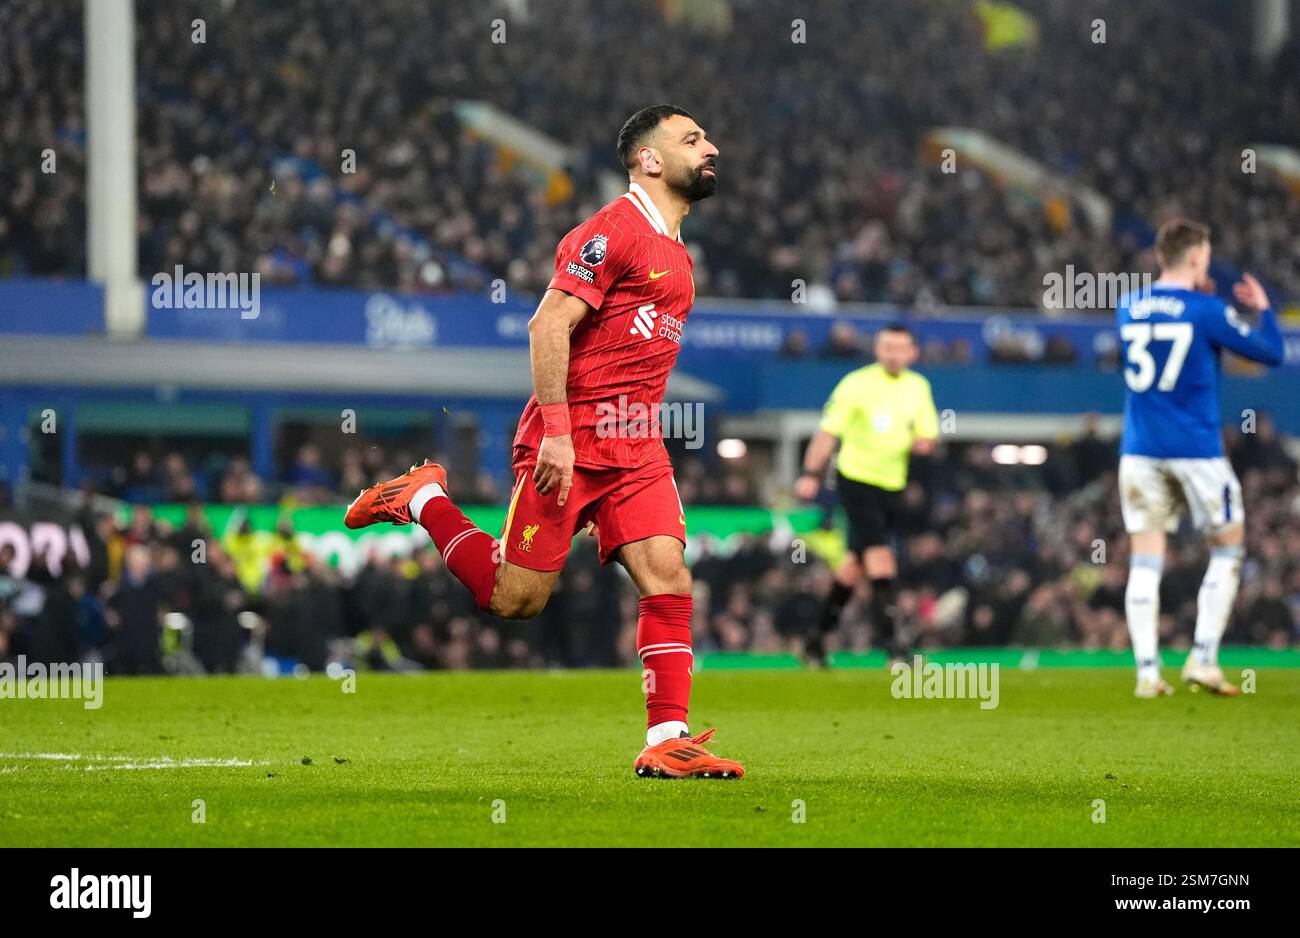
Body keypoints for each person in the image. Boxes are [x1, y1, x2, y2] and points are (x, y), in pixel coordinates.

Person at [345, 105, 743, 779]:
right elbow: (546, 326)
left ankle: (666, 740)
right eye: (693, 139)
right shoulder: (612, 232)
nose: (711, 148)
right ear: (649, 159)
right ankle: (424, 499)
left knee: (669, 577)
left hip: (636, 443)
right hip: (571, 439)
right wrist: (558, 433)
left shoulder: (678, 254)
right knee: (515, 601)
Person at [1116, 219, 1283, 698]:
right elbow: (1269, 353)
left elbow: (1167, 318)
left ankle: (1147, 673)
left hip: (1140, 451)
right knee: (1227, 550)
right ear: (1194, 259)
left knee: (1145, 562)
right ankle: (1203, 658)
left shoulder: (1128, 306)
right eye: (1205, 256)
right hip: (1196, 450)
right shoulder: (1207, 310)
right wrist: (1261, 310)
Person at [795, 323, 938, 666]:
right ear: (877, 349)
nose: (892, 353)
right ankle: (894, 649)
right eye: (886, 346)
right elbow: (829, 432)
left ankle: (815, 640)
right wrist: (812, 473)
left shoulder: (918, 387)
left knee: (851, 568)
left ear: (912, 353)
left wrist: (923, 442)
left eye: (899, 347)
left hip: (892, 485)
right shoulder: (856, 384)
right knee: (881, 558)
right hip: (856, 481)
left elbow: (928, 434)